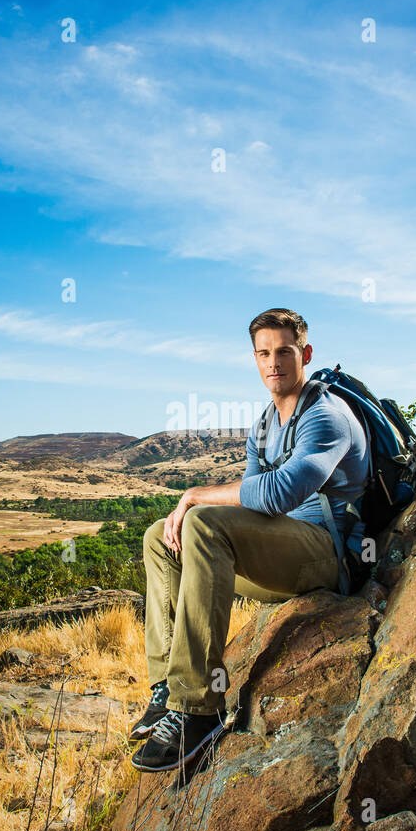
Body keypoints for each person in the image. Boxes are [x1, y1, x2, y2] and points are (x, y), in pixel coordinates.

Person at [130, 308, 369, 772]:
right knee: (161, 535)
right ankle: (166, 689)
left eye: (284, 351)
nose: (273, 363)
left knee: (200, 521)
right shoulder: (264, 424)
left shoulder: (326, 416)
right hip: (279, 557)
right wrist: (188, 510)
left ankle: (199, 711)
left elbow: (279, 493)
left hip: (326, 555)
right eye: (263, 353)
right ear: (254, 358)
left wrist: (195, 496)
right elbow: (252, 501)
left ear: (306, 354)